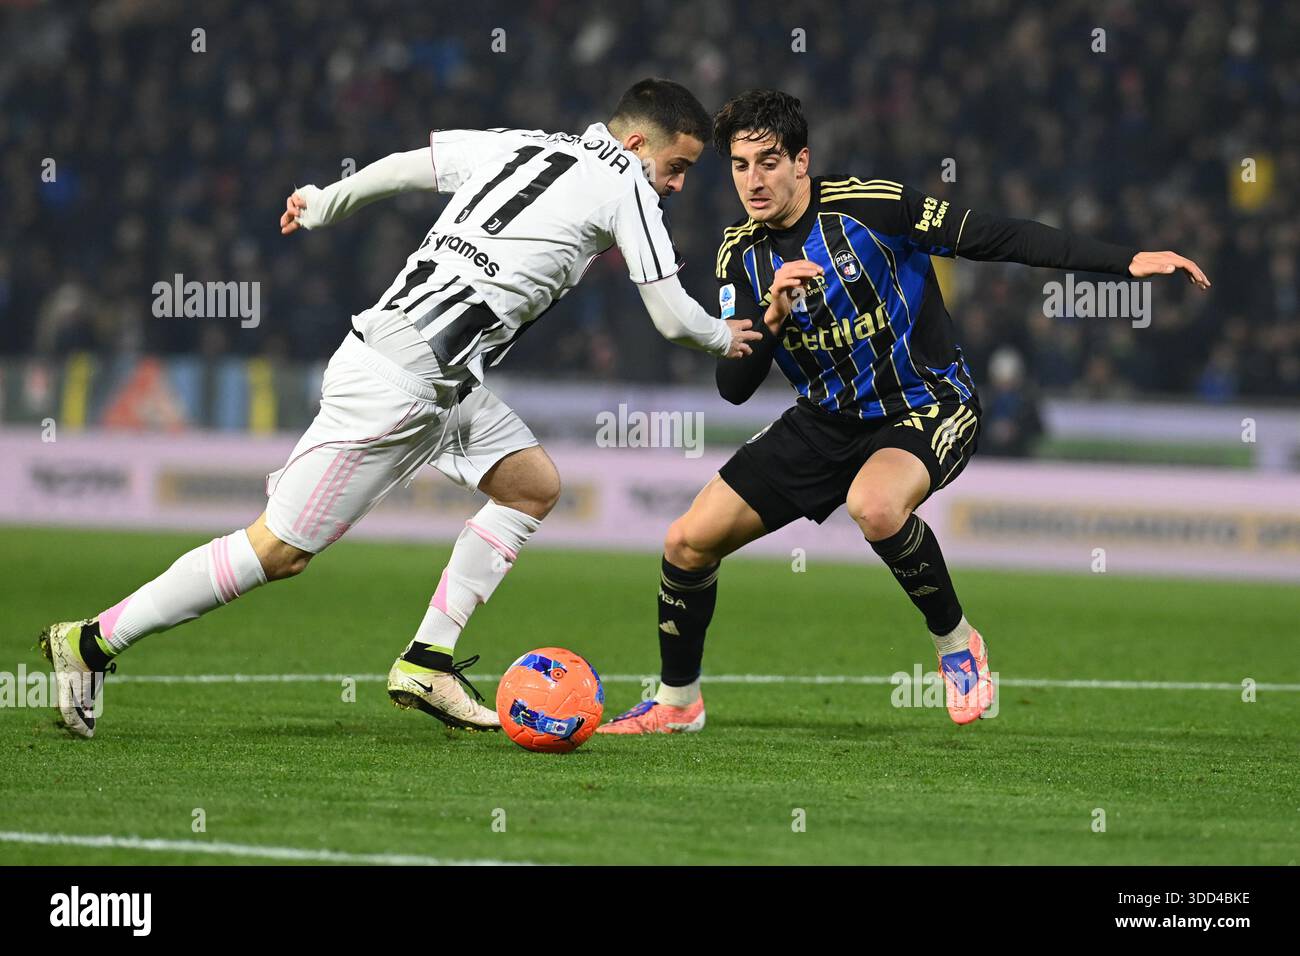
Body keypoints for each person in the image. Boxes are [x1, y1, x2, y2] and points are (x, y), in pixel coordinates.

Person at [40, 78, 761, 738]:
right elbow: (670, 317)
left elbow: (406, 166)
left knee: (532, 485)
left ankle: (427, 658)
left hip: (441, 379)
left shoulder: (528, 146)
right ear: (636, 144)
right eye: (680, 165)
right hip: (397, 384)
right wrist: (724, 335)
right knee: (277, 551)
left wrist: (326, 200)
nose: (677, 183)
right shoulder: (624, 183)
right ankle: (90, 642)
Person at [598, 88, 1210, 734]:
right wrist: (773, 315)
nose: (754, 180)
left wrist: (1124, 261)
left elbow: (995, 236)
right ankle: (677, 701)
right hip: (824, 421)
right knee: (686, 543)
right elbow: (733, 386)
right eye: (741, 166)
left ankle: (957, 646)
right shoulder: (739, 255)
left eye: (770, 161)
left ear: (801, 162)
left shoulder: (875, 207)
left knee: (876, 505)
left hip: (927, 401)